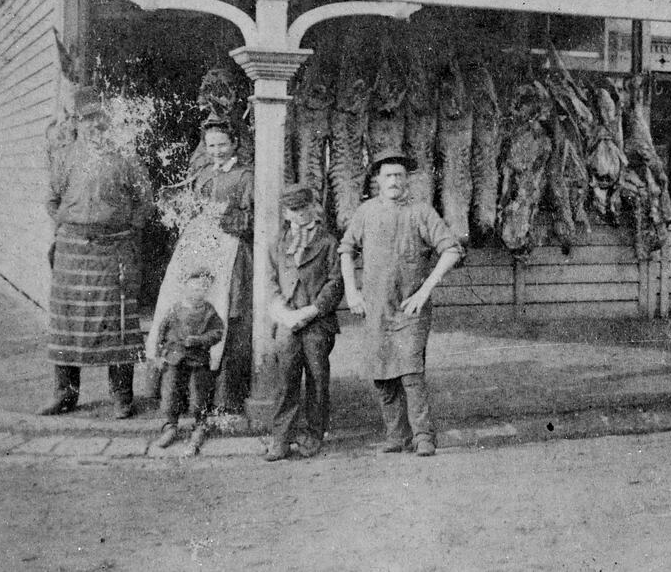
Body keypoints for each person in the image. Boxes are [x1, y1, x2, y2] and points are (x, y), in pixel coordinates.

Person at [339, 148, 463, 457]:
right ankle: (396, 436)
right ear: (377, 181)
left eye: (399, 175)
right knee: (381, 374)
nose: (394, 180)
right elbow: (346, 250)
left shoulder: (421, 211)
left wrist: (424, 292)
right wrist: (352, 292)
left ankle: (423, 436)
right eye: (388, 175)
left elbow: (451, 250)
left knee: (410, 372)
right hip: (376, 307)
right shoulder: (366, 213)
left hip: (410, 309)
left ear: (407, 179)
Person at [41, 93, 153, 419]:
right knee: (67, 321)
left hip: (112, 249)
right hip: (72, 251)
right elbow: (51, 199)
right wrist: (69, 225)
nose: (94, 126)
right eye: (86, 120)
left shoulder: (125, 158)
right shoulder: (65, 157)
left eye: (99, 120)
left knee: (116, 323)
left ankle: (121, 396)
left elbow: (145, 202)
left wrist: (123, 229)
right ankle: (65, 394)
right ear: (78, 122)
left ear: (108, 123)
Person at [145, 121, 255, 417]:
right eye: (211, 145)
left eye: (222, 144)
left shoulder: (245, 177)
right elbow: (192, 207)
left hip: (229, 249)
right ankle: (176, 395)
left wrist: (223, 219)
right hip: (197, 245)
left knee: (221, 312)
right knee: (184, 304)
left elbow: (252, 219)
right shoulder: (203, 174)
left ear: (234, 144)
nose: (217, 151)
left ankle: (222, 397)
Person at [264, 184, 343, 462]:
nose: (297, 215)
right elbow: (271, 280)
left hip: (316, 322)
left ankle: (313, 433)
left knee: (317, 377)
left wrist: (312, 310)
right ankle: (281, 437)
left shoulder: (327, 241)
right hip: (287, 320)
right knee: (285, 378)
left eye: (302, 209)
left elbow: (335, 282)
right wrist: (281, 311)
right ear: (285, 212)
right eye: (291, 210)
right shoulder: (278, 242)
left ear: (313, 207)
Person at [150, 266, 224, 455]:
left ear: (205, 291)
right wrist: (159, 354)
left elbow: (217, 332)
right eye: (192, 289)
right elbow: (161, 333)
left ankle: (199, 426)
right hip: (174, 358)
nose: (195, 293)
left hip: (198, 359)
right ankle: (170, 426)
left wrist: (199, 340)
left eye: (200, 289)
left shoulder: (209, 312)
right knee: (171, 391)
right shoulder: (174, 310)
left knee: (198, 393)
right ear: (185, 289)